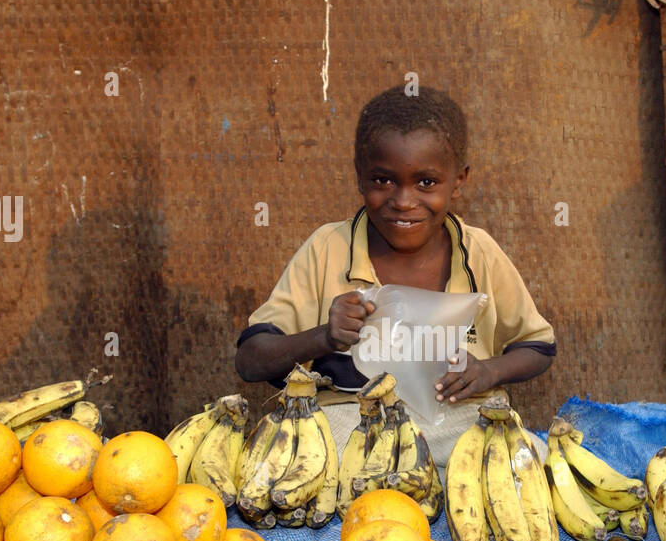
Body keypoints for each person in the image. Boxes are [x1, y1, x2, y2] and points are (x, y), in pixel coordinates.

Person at [234, 85, 555, 465]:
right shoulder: (327, 248)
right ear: (359, 176)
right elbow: (250, 361)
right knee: (287, 461)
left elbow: (538, 347)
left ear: (459, 180)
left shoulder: (479, 252)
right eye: (383, 180)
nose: (403, 201)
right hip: (349, 419)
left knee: (527, 462)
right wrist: (324, 337)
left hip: (457, 416)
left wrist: (489, 370)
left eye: (426, 182)